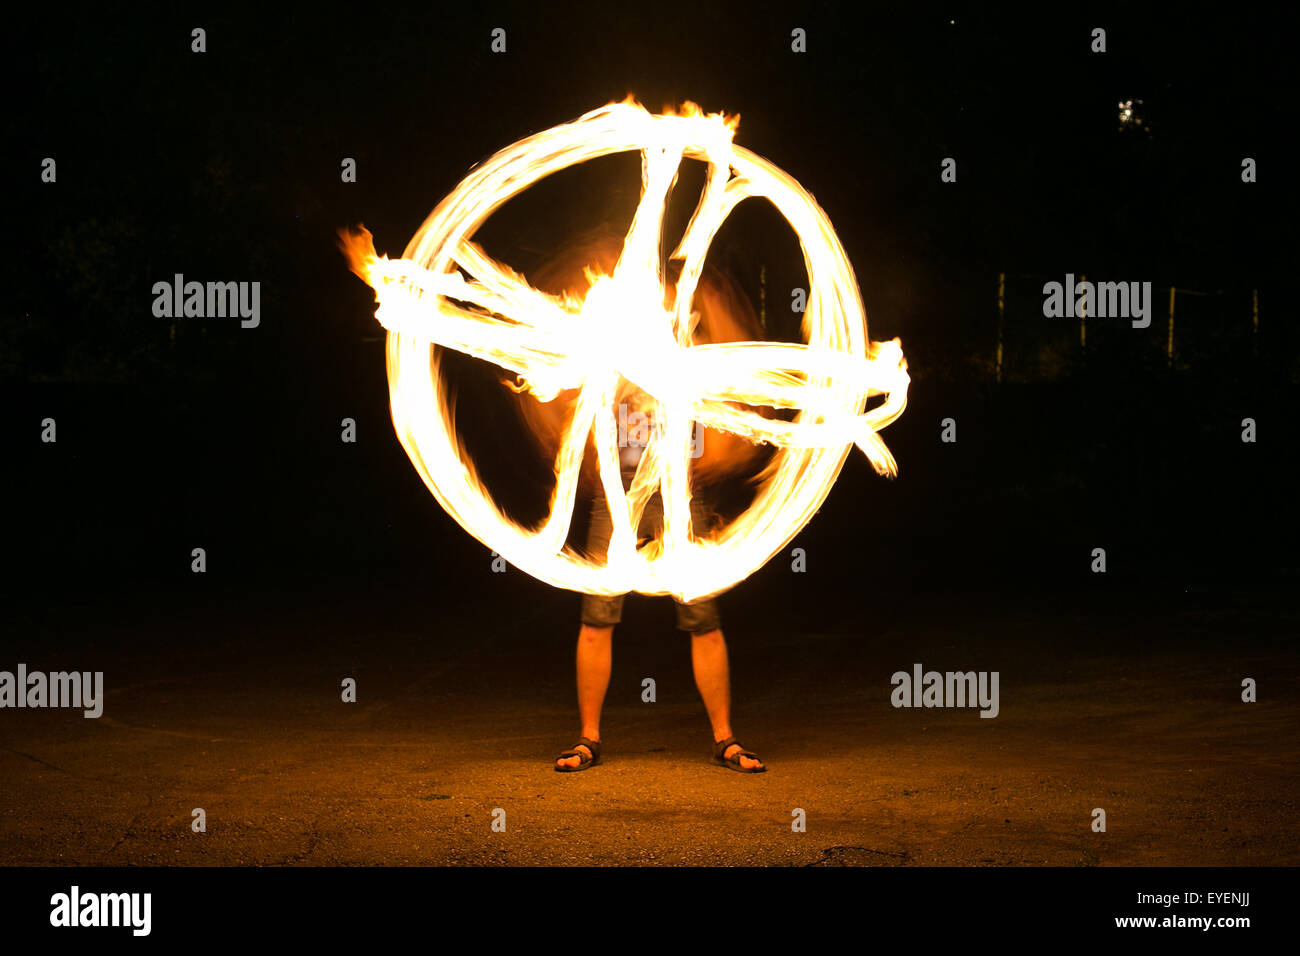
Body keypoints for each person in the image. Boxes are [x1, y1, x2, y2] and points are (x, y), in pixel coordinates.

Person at [554, 383, 765, 773]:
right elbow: (570, 404)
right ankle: (588, 737)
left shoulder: (686, 348)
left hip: (682, 493)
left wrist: (719, 445)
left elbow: (721, 416)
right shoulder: (606, 351)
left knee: (703, 619)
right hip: (616, 493)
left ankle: (725, 738)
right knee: (597, 618)